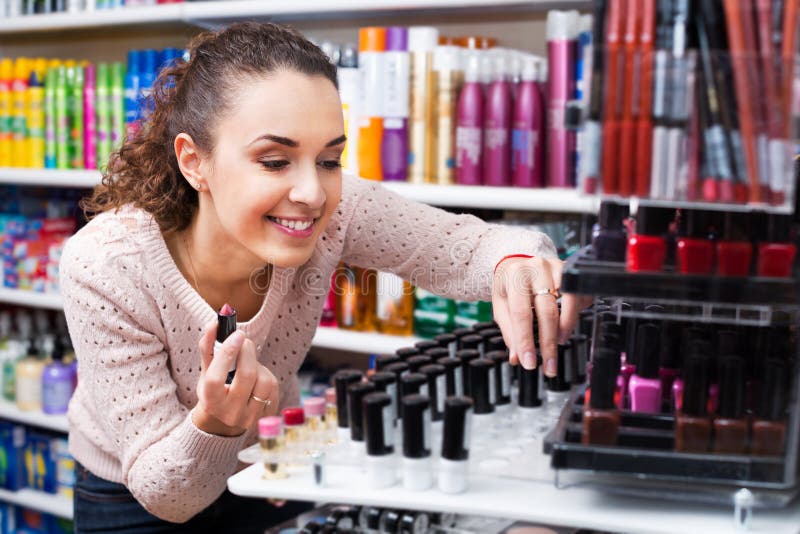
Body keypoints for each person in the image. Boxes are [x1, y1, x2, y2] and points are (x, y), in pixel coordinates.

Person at [60, 22, 584, 532]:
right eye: (274, 161)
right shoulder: (108, 264)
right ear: (194, 162)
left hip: (269, 459)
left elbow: (462, 246)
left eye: (329, 160)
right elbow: (167, 496)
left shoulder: (338, 211)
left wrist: (517, 262)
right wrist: (216, 424)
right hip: (137, 495)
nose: (313, 194)